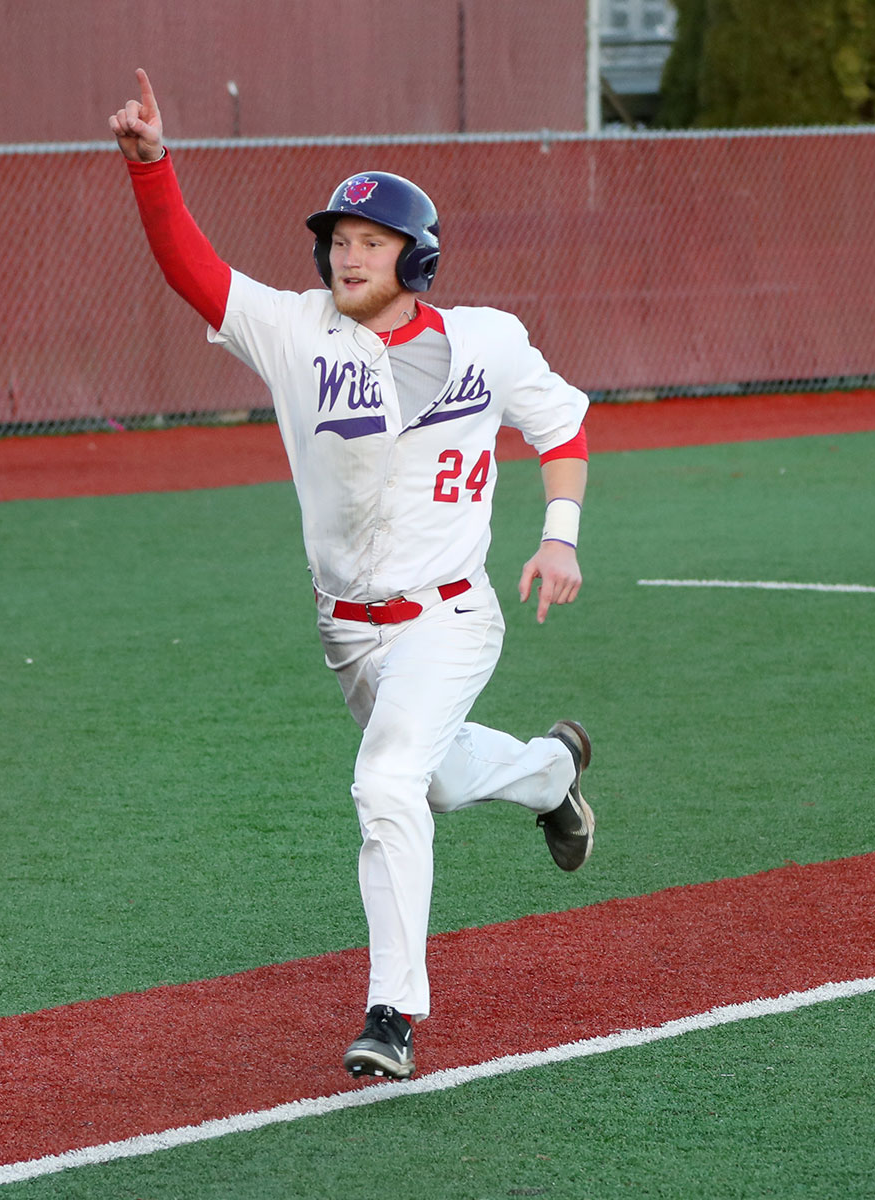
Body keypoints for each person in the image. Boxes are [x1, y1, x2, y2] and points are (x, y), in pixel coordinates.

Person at [110, 68, 597, 1081]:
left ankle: (393, 1012)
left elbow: (565, 424)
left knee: (385, 784)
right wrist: (152, 166)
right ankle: (552, 772)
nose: (348, 253)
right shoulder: (297, 333)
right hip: (348, 629)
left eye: (370, 241)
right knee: (443, 780)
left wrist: (561, 533)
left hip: (451, 619)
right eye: (337, 239)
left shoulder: (484, 342)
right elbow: (193, 270)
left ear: (414, 257)